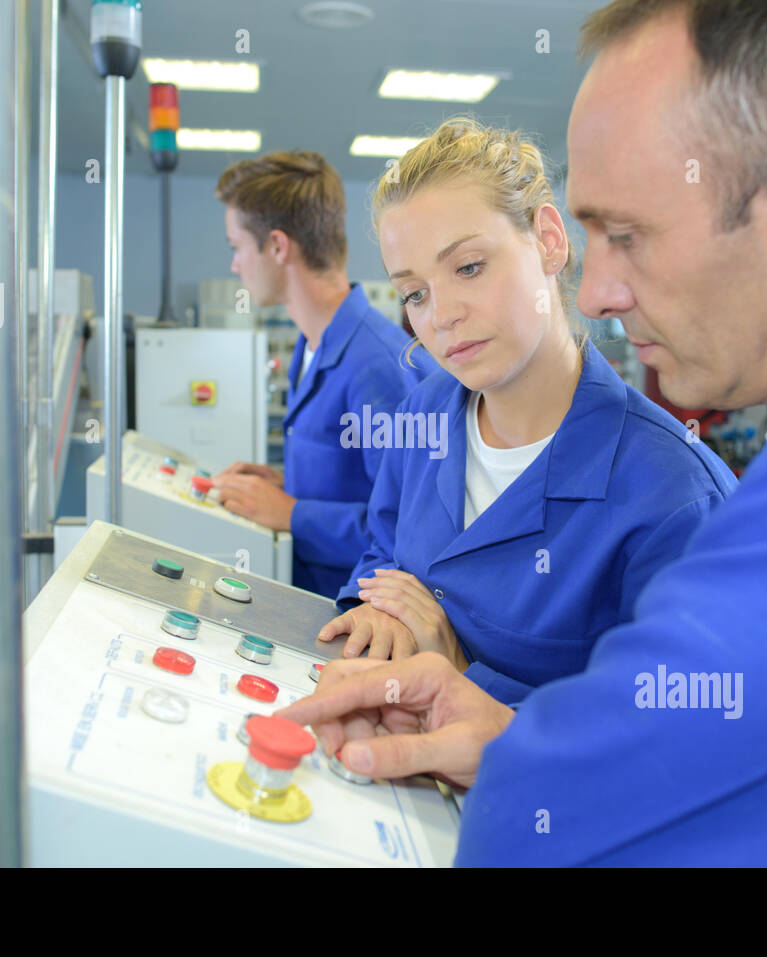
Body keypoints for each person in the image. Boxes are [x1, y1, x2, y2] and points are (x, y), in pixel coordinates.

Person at [280, 0, 767, 865]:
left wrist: (527, 760)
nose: (598, 291)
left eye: (629, 234)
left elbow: (619, 818)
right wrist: (511, 738)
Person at [314, 118, 736, 705]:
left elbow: (679, 742)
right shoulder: (426, 413)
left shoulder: (677, 499)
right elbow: (382, 552)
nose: (441, 315)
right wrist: (377, 612)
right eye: (415, 293)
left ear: (548, 240)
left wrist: (461, 673)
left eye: (467, 267)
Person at [211, 150, 425, 598]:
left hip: (352, 621)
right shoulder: (313, 347)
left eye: (236, 246)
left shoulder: (377, 366)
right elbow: (356, 483)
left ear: (277, 246)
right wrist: (288, 487)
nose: (234, 263)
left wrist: (290, 512)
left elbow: (409, 532)